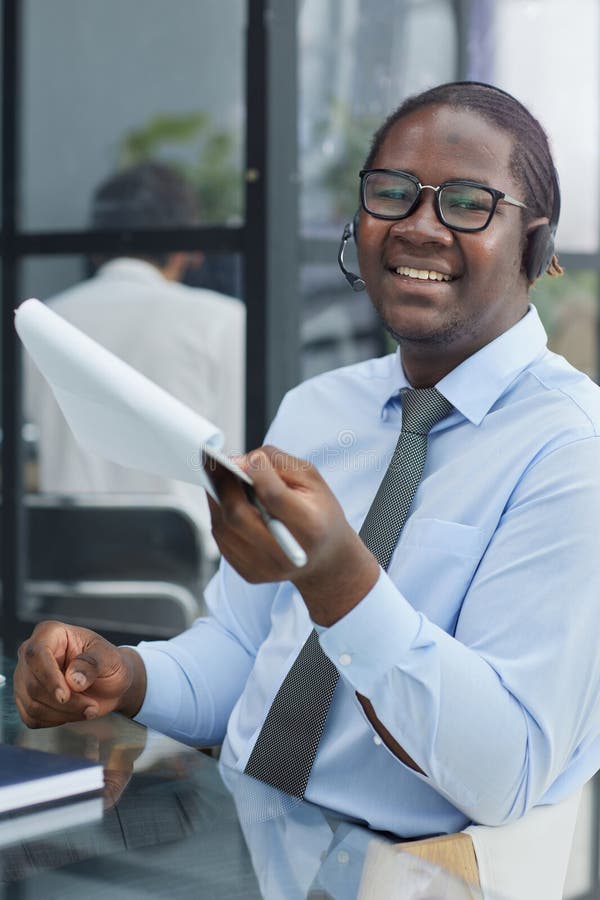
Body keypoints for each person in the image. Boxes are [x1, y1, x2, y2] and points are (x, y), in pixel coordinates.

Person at [15, 82, 600, 840]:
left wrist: (343, 585)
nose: (419, 226)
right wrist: (127, 674)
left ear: (537, 244)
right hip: (244, 844)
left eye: (466, 202)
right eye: (392, 193)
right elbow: (244, 651)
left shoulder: (572, 451)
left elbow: (507, 773)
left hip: (409, 876)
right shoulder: (320, 408)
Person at [25, 162, 246, 562]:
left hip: (64, 573)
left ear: (94, 246)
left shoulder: (41, 323)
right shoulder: (223, 322)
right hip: (188, 579)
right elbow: (240, 464)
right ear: (189, 248)